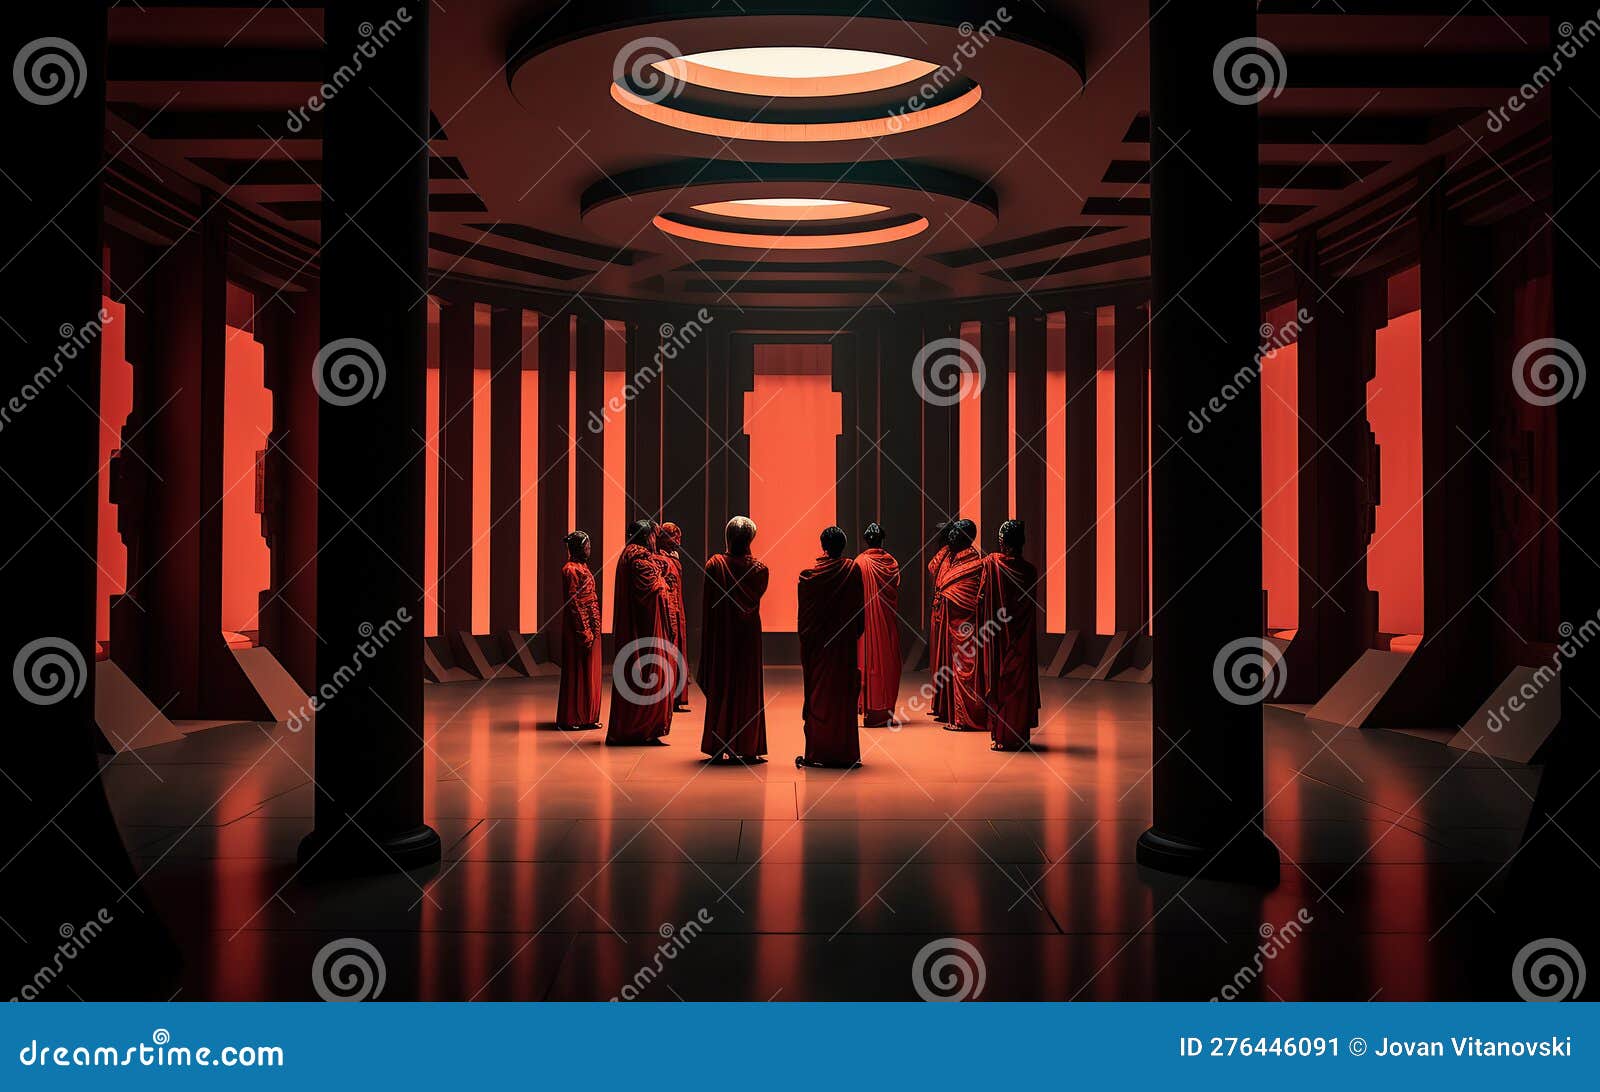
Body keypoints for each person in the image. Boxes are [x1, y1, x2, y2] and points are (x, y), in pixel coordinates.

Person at [699, 516, 770, 763]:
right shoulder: (759, 570)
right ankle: (748, 746)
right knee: (747, 687)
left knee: (722, 683)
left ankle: (719, 744)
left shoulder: (714, 565)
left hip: (722, 635)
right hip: (748, 638)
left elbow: (708, 605)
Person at [796, 526, 866, 769]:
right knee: (843, 697)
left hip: (818, 649)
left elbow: (804, 622)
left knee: (818, 696)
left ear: (823, 546)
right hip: (843, 647)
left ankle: (818, 751)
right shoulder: (851, 570)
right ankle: (844, 752)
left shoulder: (809, 577)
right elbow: (859, 612)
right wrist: (851, 635)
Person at [606, 519, 675, 745]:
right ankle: (642, 729)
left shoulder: (631, 556)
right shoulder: (638, 560)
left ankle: (640, 728)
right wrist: (664, 581)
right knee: (649, 675)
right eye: (653, 535)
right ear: (647, 537)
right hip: (646, 631)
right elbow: (655, 592)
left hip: (638, 630)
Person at [978, 520, 1042, 751]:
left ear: (1002, 542)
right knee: (1020, 686)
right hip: (1022, 640)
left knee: (1000, 682)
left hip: (998, 637)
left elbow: (981, 598)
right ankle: (1020, 735)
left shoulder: (992, 563)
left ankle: (1002, 737)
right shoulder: (1031, 571)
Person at [933, 519, 986, 733]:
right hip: (949, 622)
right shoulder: (951, 557)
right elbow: (933, 568)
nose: (951, 536)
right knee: (951, 667)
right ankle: (952, 712)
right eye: (951, 532)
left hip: (965, 627)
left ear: (967, 538)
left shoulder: (974, 563)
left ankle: (966, 718)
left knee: (965, 668)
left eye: (957, 533)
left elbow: (969, 595)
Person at [856, 522, 902, 727]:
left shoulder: (860, 562)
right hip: (886, 622)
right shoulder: (891, 562)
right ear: (882, 540)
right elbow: (895, 586)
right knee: (887, 662)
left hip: (866, 622)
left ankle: (869, 708)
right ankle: (884, 710)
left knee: (867, 661)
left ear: (866, 541)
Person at [555, 531, 602, 731]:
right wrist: (584, 630)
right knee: (577, 671)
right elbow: (574, 602)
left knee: (589, 671)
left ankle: (588, 716)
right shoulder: (570, 570)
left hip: (591, 622)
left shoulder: (582, 567)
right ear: (578, 548)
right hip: (578, 627)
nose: (589, 550)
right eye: (586, 547)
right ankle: (572, 717)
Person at [656, 520, 693, 713]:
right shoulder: (659, 559)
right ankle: (668, 697)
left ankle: (677, 697)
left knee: (678, 650)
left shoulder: (672, 558)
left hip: (678, 609)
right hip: (669, 609)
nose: (678, 541)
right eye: (674, 537)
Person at [926, 521, 954, 723]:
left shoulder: (948, 556)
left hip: (944, 611)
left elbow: (935, 572)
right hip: (939, 609)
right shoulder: (945, 555)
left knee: (942, 656)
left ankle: (944, 704)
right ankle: (940, 702)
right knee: (938, 656)